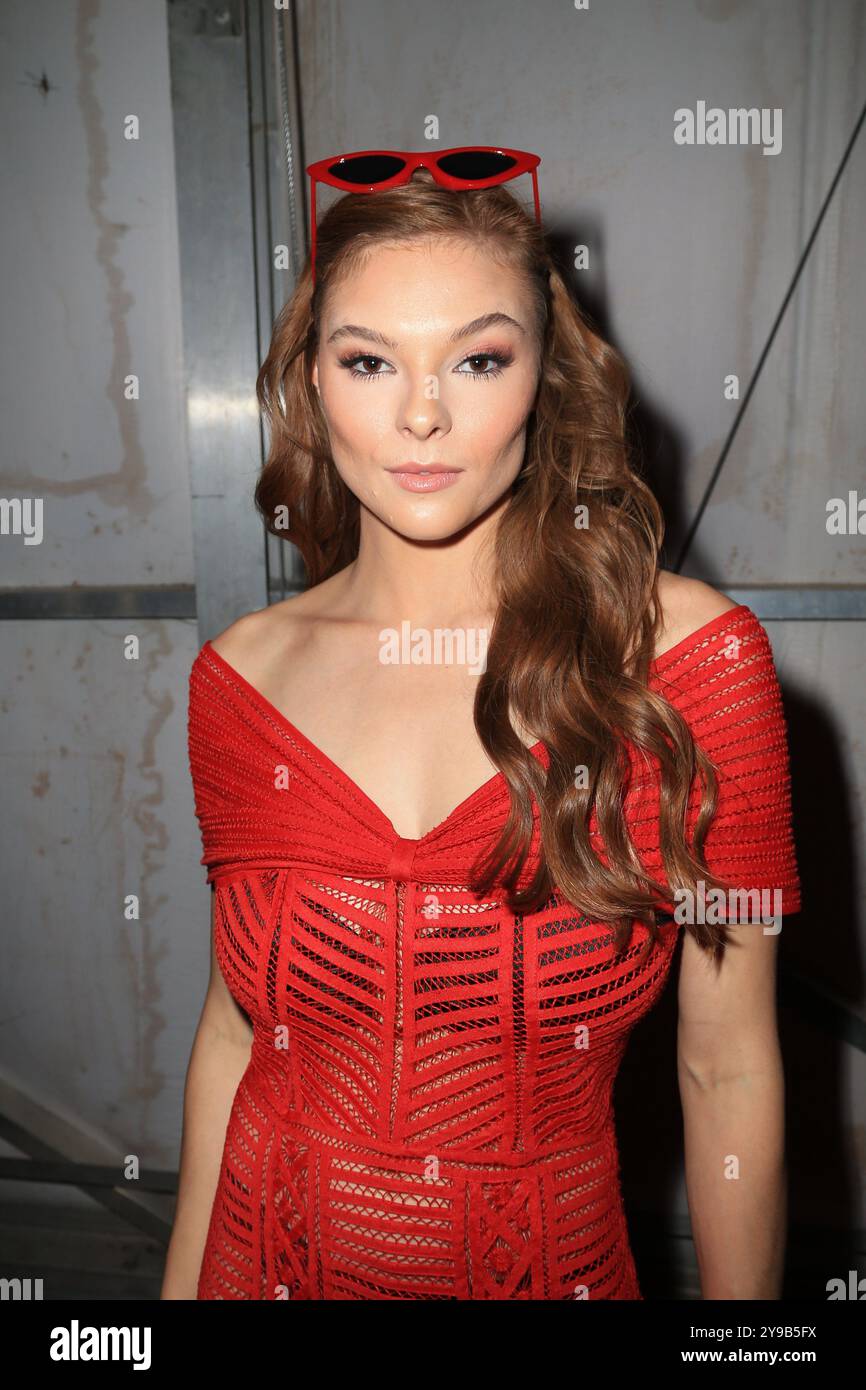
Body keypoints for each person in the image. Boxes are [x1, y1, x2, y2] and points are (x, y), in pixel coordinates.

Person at [161, 157, 801, 1300]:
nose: (420, 412)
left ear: (546, 377)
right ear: (310, 383)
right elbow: (233, 1035)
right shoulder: (237, 678)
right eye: (368, 360)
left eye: (476, 358)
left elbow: (726, 1068)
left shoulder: (692, 669)